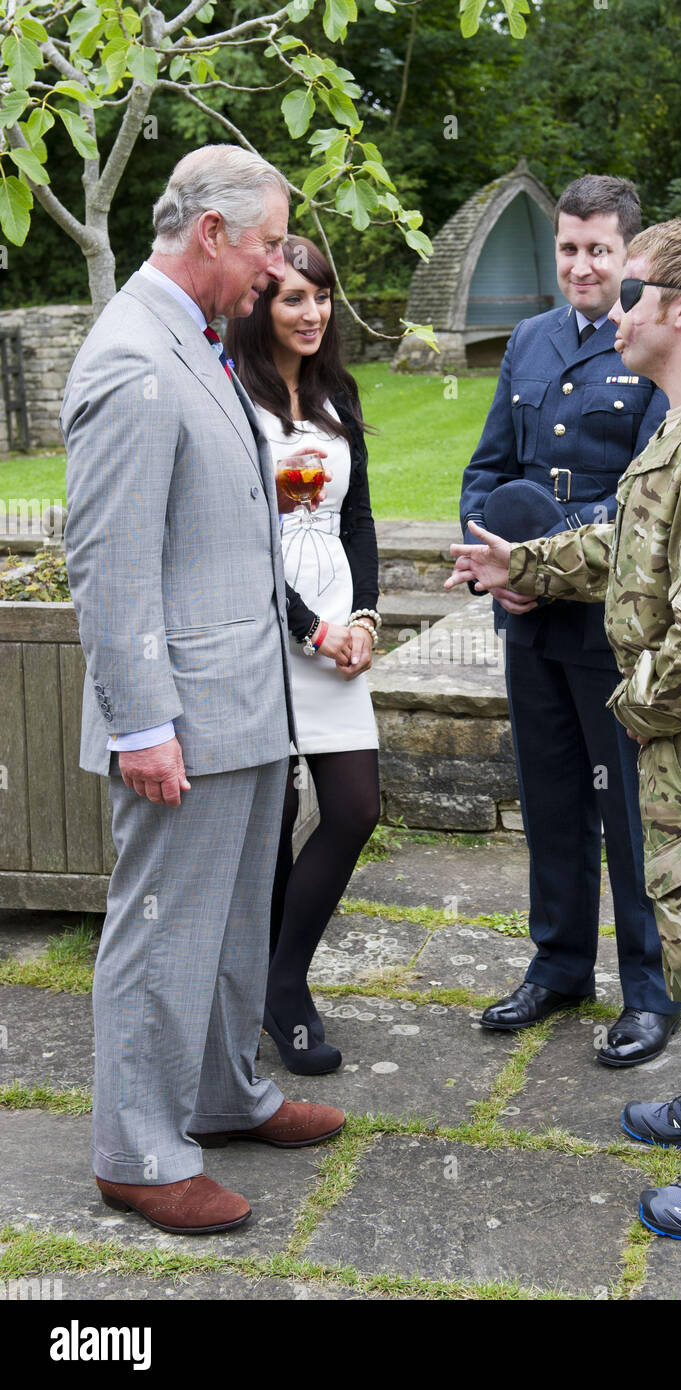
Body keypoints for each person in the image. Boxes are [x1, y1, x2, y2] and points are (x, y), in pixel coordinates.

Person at [447, 210, 681, 1240]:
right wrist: (517, 565)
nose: (612, 301)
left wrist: (632, 708)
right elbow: (623, 542)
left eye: (633, 285)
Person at [61, 146, 345, 1238]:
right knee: (162, 928)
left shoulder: (195, 339)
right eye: (270, 244)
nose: (279, 270)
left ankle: (225, 1094)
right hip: (178, 713)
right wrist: (142, 724)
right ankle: (137, 1153)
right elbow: (109, 558)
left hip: (242, 702)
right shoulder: (134, 356)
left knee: (231, 925)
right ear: (215, 234)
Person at [458, 175, 679, 1066]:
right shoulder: (528, 341)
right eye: (568, 249)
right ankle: (557, 968)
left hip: (606, 621)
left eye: (598, 250)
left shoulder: (650, 345)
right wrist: (491, 564)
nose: (581, 266)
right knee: (549, 795)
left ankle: (650, 989)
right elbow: (488, 469)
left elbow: (646, 502)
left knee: (623, 805)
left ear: (629, 257)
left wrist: (545, 567)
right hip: (528, 620)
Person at [225, 236, 381, 1076]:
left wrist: (362, 617)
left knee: (354, 806)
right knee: (275, 819)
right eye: (294, 298)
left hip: (334, 631)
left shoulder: (336, 392)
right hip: (262, 626)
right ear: (260, 305)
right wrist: (307, 627)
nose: (313, 312)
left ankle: (280, 981)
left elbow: (359, 522)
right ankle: (280, 995)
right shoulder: (231, 398)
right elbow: (243, 537)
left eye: (321, 296)